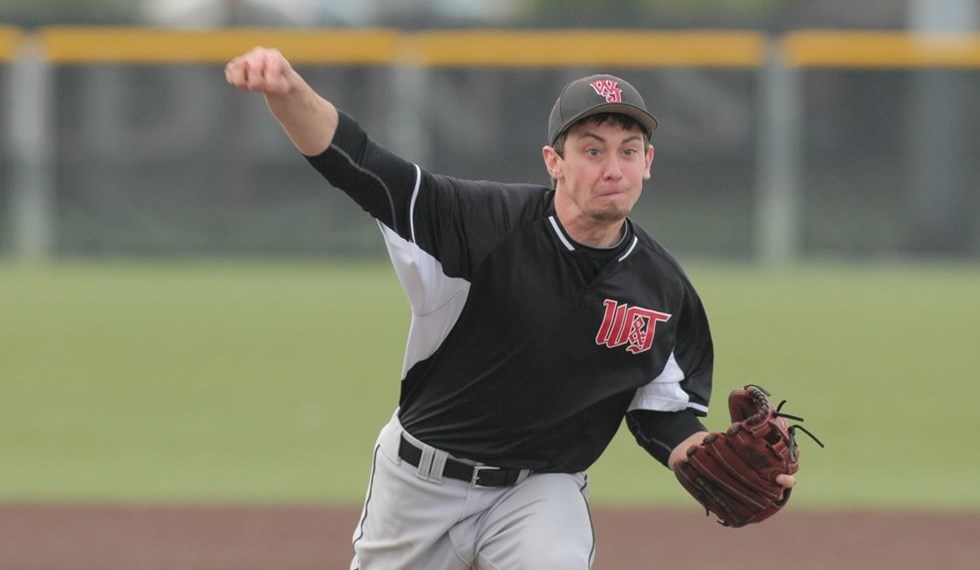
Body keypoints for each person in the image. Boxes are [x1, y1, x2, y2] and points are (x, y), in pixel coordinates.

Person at [225, 47, 793, 570]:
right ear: (554, 161)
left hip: (540, 490)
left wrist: (705, 456)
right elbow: (363, 166)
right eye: (592, 150)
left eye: (628, 151)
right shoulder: (481, 223)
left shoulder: (663, 290)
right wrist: (287, 91)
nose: (612, 169)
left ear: (649, 162)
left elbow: (658, 411)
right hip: (421, 481)